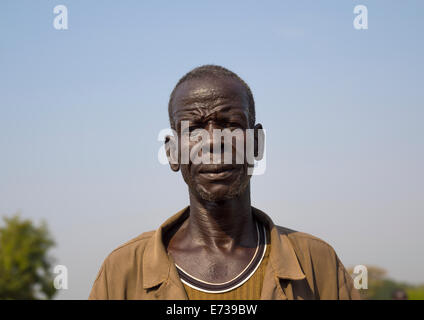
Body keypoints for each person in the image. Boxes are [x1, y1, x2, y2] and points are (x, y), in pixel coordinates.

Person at [88, 65, 360, 300]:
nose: (213, 142)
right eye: (193, 129)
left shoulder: (317, 264)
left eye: (230, 125)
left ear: (256, 144)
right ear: (172, 153)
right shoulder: (122, 271)